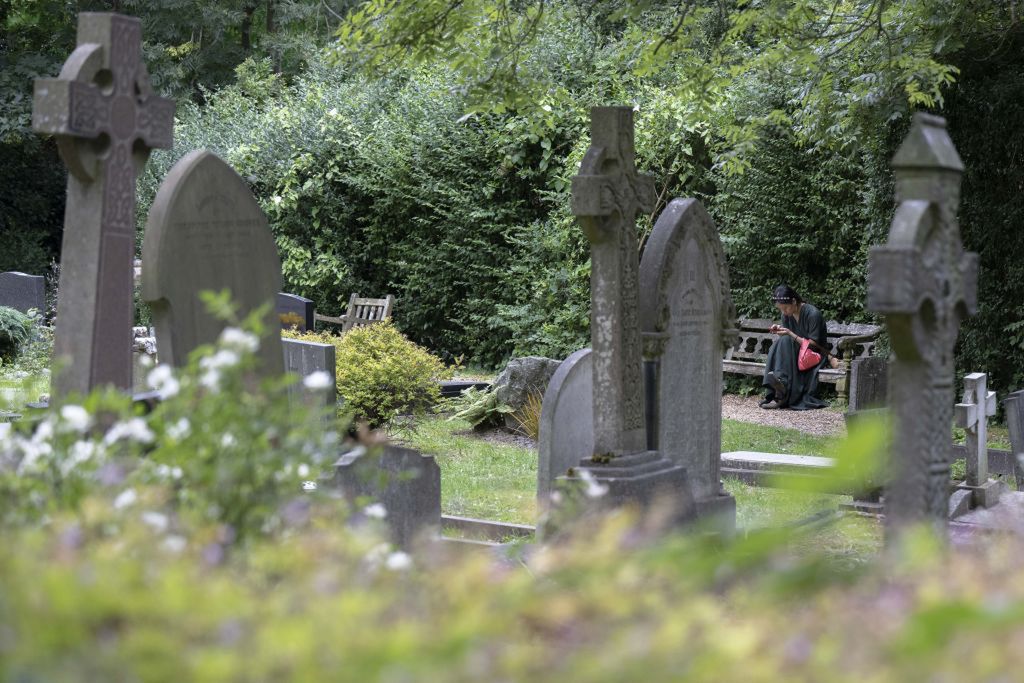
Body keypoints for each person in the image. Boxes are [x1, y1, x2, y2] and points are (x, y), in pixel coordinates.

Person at [760, 284, 837, 410]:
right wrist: (780, 330)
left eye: (785, 308)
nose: (783, 312)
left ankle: (780, 389)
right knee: (780, 342)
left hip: (814, 354)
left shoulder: (813, 314)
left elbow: (814, 345)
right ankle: (779, 385)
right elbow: (788, 341)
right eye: (780, 309)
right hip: (795, 353)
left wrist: (789, 333)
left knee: (784, 340)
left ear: (794, 301)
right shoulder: (786, 316)